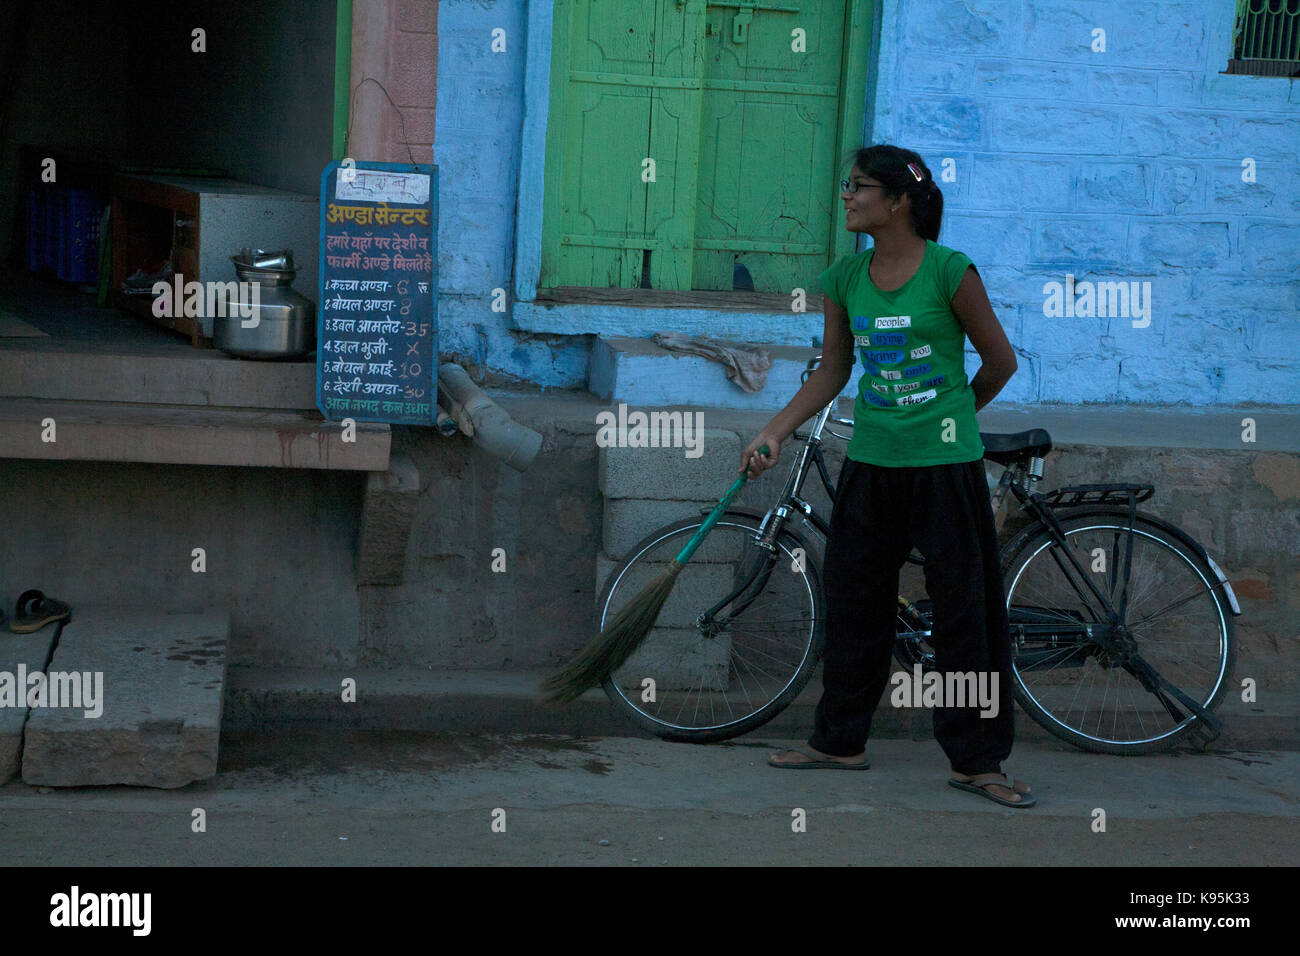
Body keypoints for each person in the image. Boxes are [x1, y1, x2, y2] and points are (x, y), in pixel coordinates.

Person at [739, 144, 1034, 807]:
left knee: (966, 619)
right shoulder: (845, 279)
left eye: (859, 186)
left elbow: (999, 361)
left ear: (899, 200)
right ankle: (839, 742)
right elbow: (834, 370)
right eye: (847, 185)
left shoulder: (950, 272)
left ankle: (978, 761)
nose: (846, 196)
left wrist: (948, 415)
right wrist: (774, 431)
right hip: (872, 466)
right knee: (854, 609)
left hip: (946, 470)